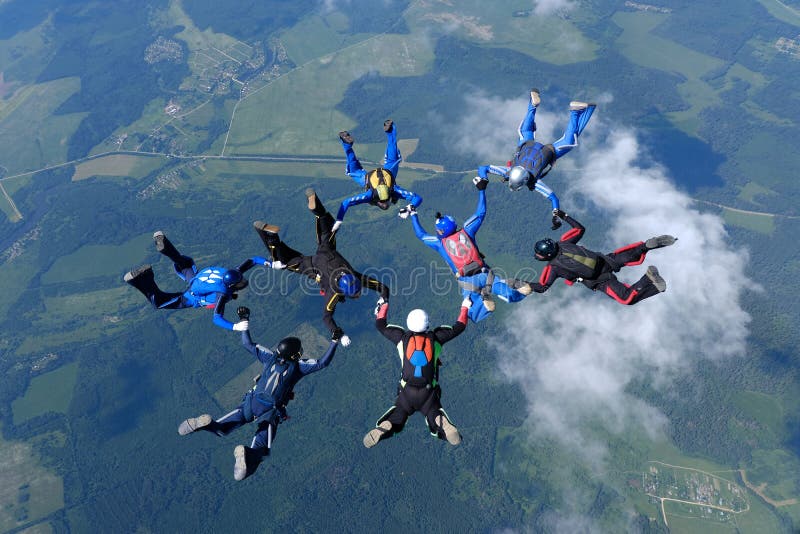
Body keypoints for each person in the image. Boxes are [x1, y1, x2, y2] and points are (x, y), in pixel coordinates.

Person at [178, 306, 340, 480]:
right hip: (269, 412)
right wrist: (334, 342)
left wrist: (244, 320)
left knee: (222, 429)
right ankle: (247, 455)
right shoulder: (298, 367)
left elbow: (247, 344)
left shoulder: (269, 357)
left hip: (251, 402)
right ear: (294, 355)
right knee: (262, 450)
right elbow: (323, 363)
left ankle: (208, 424)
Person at [253, 189, 390, 345]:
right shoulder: (334, 292)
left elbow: (381, 287)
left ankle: (315, 207)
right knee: (284, 261)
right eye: (357, 293)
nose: (359, 294)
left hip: (326, 253)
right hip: (312, 267)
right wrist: (338, 333)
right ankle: (271, 238)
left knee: (328, 227)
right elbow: (326, 317)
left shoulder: (353, 276)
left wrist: (383, 300)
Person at [405, 176, 532, 322]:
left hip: (467, 281)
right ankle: (514, 289)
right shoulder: (467, 231)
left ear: (440, 232)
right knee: (501, 288)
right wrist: (481, 190)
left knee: (470, 312)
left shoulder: (439, 243)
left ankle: (484, 305)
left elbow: (421, 234)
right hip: (485, 273)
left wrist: (413, 215)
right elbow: (480, 213)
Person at [477, 88, 596, 230]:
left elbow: (553, 198)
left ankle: (575, 112)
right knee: (525, 131)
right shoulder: (508, 171)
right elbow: (483, 168)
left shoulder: (534, 182)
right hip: (527, 144)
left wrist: (555, 216)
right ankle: (533, 106)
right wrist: (484, 180)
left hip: (549, 152)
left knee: (570, 141)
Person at [363, 297, 470, 448]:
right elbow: (460, 326)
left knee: (399, 414)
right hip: (428, 393)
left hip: (407, 391)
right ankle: (440, 422)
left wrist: (383, 305)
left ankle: (386, 425)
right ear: (427, 323)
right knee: (432, 412)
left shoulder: (401, 339)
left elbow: (380, 325)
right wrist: (465, 307)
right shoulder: (436, 339)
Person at [123, 231, 269, 330]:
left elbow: (253, 260)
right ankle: (139, 279)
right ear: (232, 285)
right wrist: (235, 326)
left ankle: (165, 246)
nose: (242, 282)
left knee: (185, 264)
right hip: (190, 298)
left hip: (198, 279)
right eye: (240, 284)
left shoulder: (233, 273)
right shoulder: (222, 295)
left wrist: (271, 263)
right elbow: (217, 318)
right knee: (159, 303)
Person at [528, 209, 677, 304]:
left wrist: (518, 284)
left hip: (600, 281)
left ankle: (649, 279)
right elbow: (580, 229)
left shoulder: (553, 268)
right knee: (627, 255)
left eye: (539, 255)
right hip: (605, 261)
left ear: (546, 256)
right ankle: (645, 246)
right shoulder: (564, 242)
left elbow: (542, 287)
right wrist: (564, 216)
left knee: (626, 298)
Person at [333, 119, 422, 232]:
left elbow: (417, 198)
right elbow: (346, 203)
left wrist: (409, 208)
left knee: (393, 157)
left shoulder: (394, 190)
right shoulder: (370, 196)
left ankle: (390, 132)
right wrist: (338, 220)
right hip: (368, 178)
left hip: (387, 173)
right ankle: (346, 145)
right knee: (353, 169)